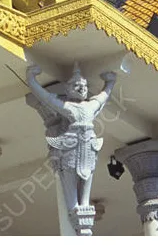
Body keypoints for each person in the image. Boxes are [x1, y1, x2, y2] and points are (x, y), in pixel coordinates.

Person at [26, 63, 116, 214]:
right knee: (69, 174)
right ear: (68, 90)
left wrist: (110, 82)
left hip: (88, 145)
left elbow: (103, 97)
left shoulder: (90, 106)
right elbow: (46, 98)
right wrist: (31, 80)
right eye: (76, 85)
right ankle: (74, 207)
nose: (82, 88)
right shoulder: (68, 107)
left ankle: (84, 203)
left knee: (88, 173)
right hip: (71, 145)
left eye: (84, 86)